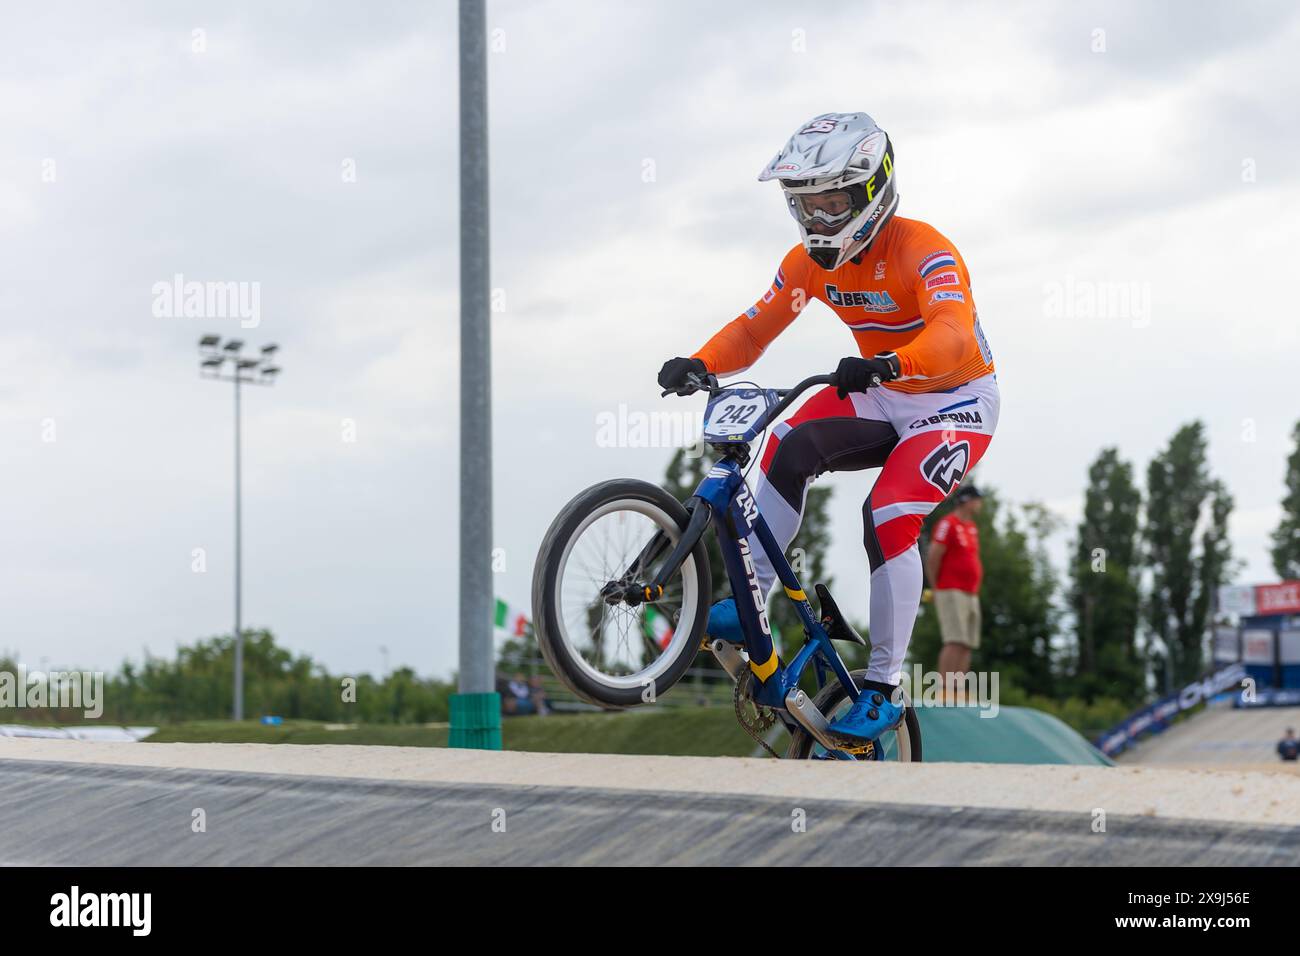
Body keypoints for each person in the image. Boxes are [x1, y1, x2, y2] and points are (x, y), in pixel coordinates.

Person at [659, 112, 999, 744]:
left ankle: (884, 684)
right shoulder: (809, 263)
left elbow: (952, 337)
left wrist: (892, 362)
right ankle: (750, 603)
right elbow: (754, 329)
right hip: (881, 387)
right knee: (784, 444)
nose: (816, 221)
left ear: (873, 192)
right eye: (803, 207)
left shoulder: (927, 250)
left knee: (889, 513)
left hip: (954, 401)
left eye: (830, 204)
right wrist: (701, 361)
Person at [925, 484, 984, 696]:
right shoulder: (947, 523)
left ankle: (958, 689)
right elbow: (933, 557)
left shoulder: (972, 526)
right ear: (967, 500)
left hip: (970, 592)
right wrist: (937, 587)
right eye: (977, 499)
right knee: (954, 640)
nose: (980, 504)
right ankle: (944, 689)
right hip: (950, 589)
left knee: (967, 643)